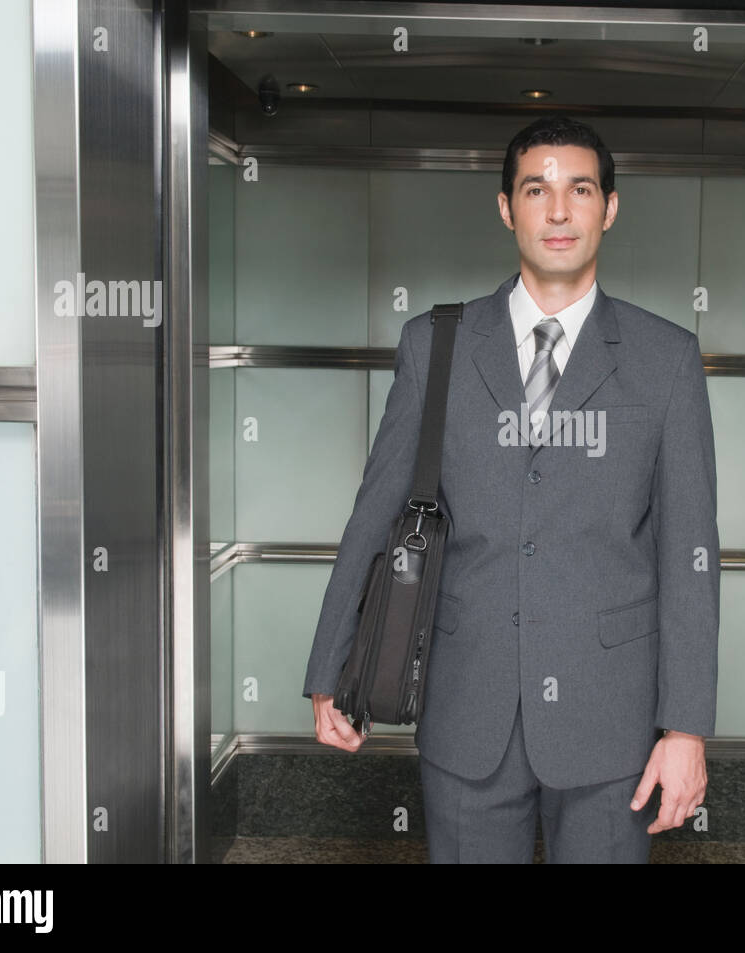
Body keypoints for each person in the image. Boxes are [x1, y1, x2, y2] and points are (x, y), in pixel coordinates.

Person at [303, 115, 719, 863]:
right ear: (507, 208)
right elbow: (376, 512)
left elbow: (690, 551)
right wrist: (329, 666)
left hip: (611, 720)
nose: (558, 211)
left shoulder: (667, 359)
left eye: (579, 189)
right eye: (537, 189)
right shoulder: (437, 344)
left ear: (609, 207)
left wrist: (684, 728)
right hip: (467, 706)